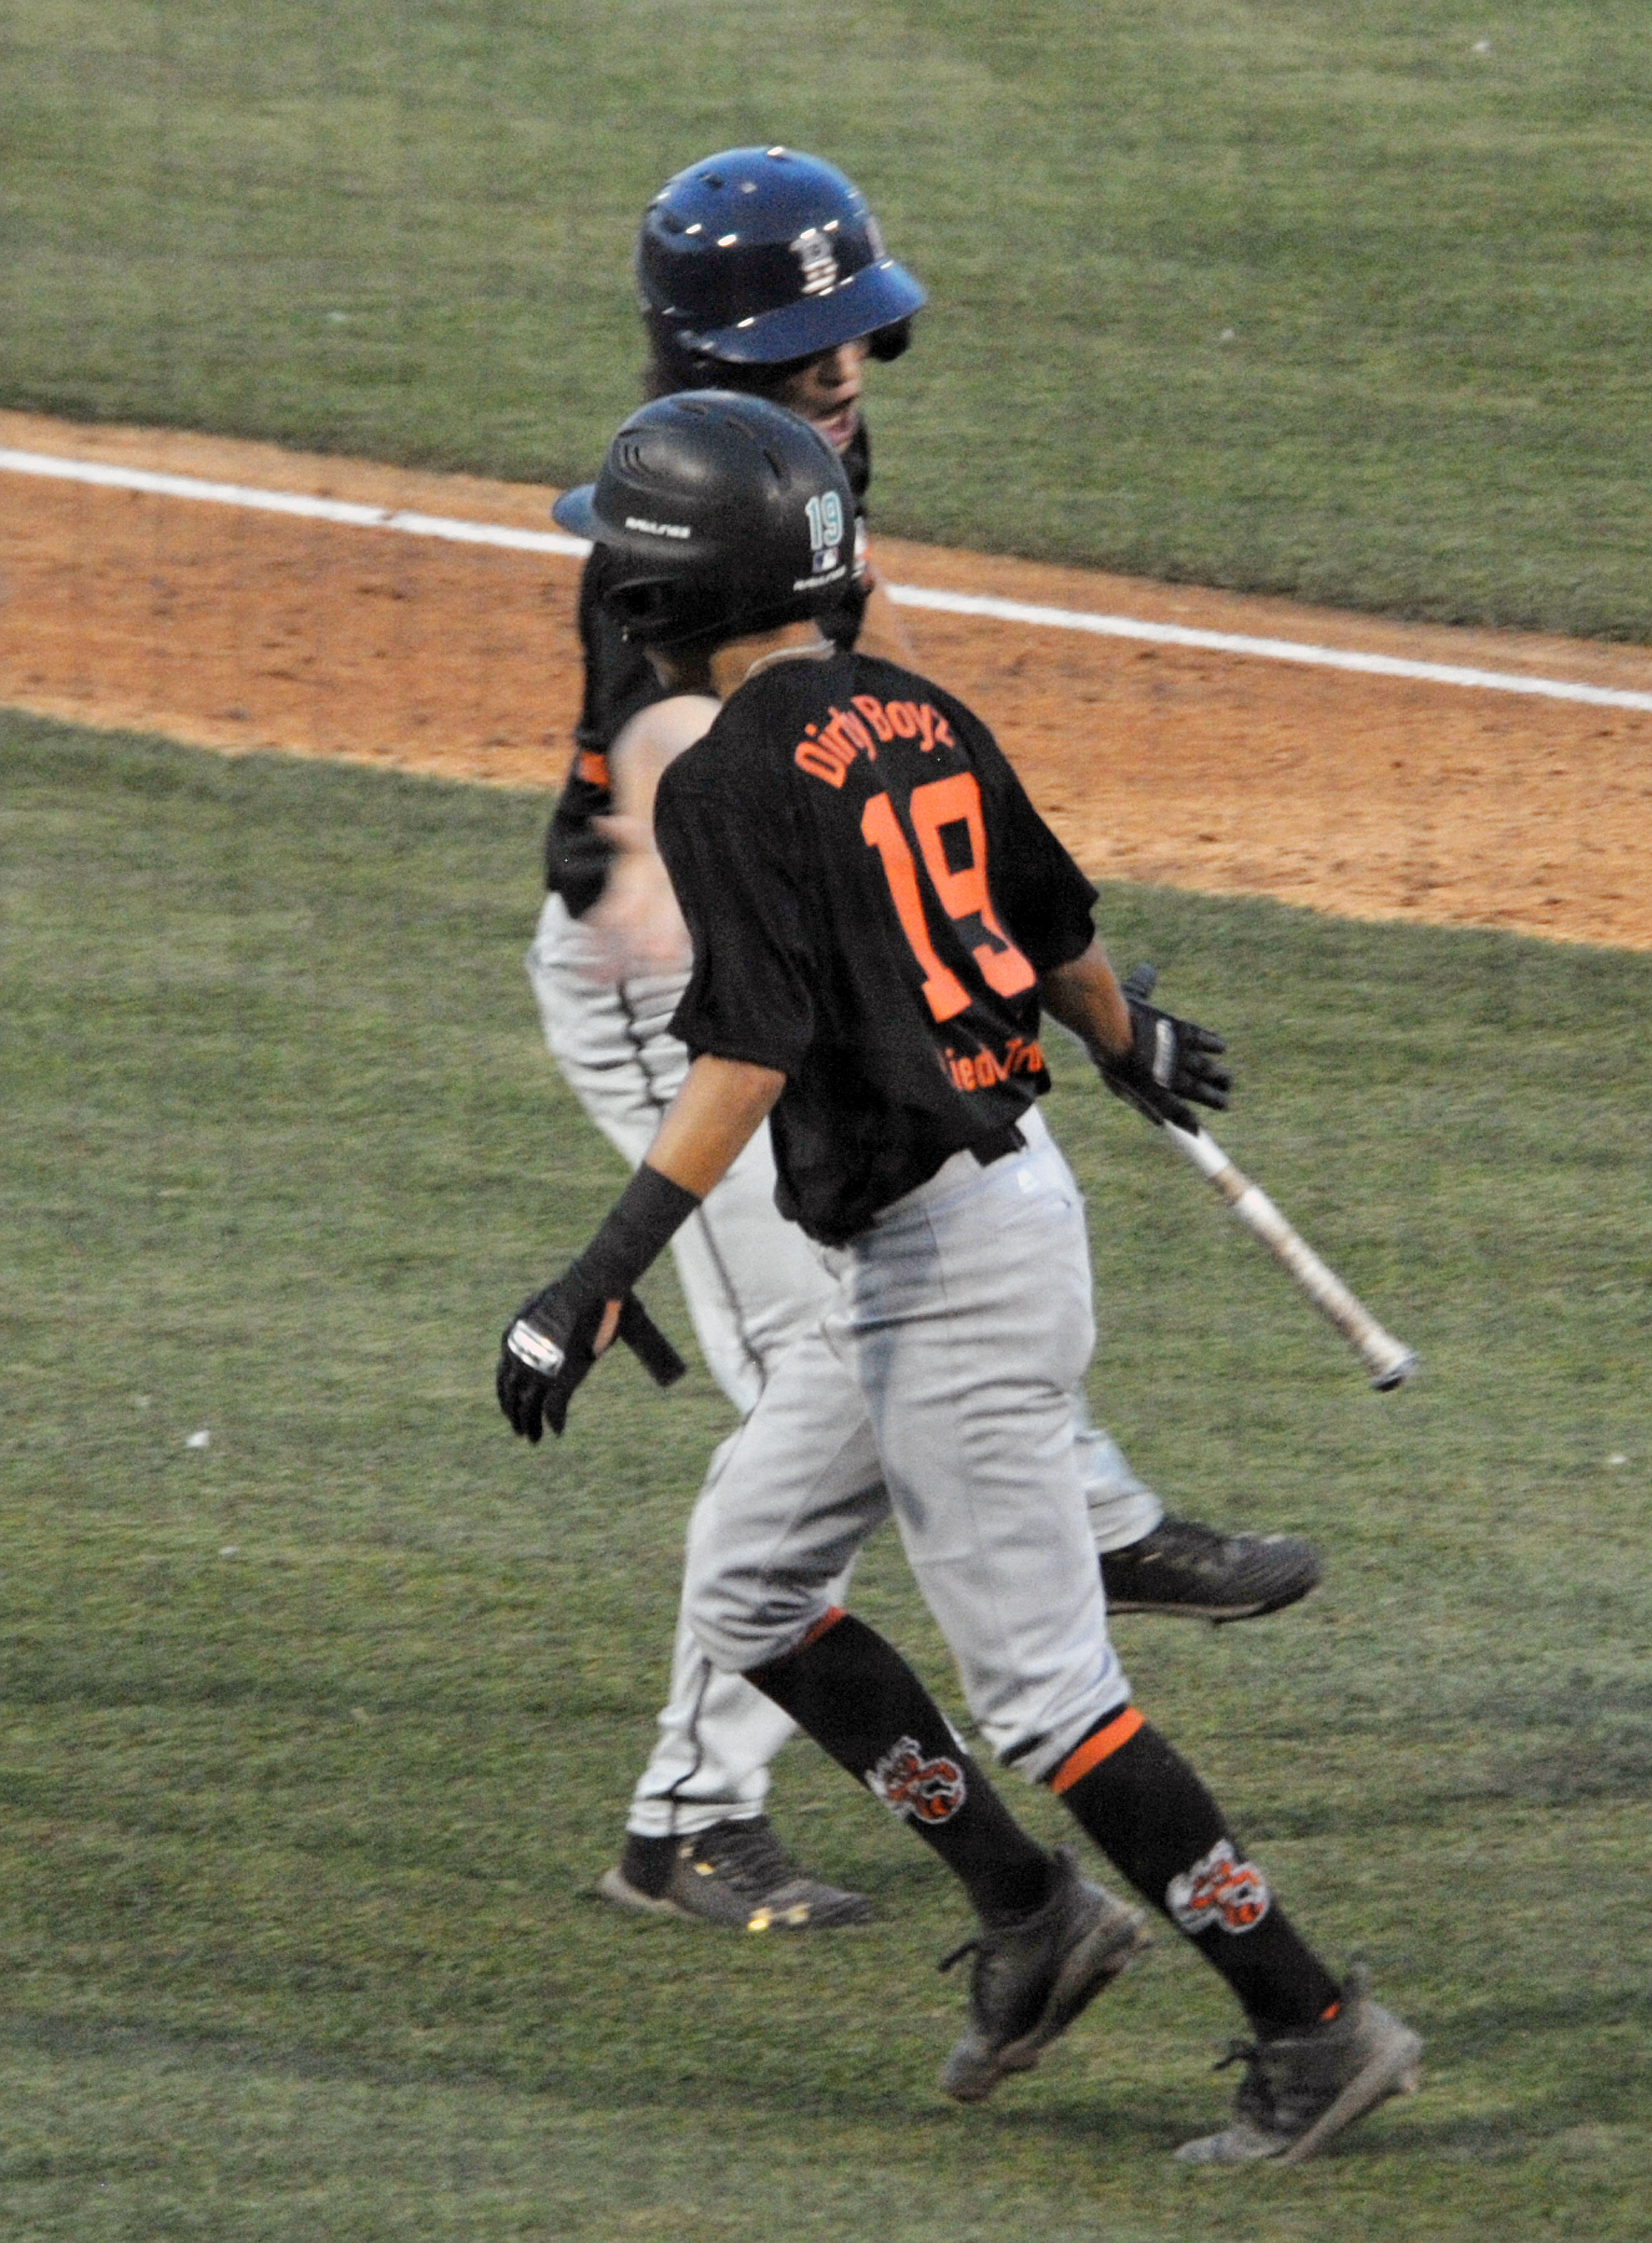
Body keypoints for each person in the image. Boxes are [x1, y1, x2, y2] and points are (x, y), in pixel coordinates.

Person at [500, 391, 1423, 2167]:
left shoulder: (723, 776)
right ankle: (1032, 1917)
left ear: (670, 587)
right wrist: (1127, 1029)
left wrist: (593, 1278)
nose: (606, 575)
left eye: (621, 551)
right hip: (954, 1228)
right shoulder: (911, 709)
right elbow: (1050, 916)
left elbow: (750, 1051)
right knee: (754, 1582)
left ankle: (1313, 2024)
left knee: (1050, 1699)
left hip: (952, 1277)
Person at [527, 145, 1319, 1934]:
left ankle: (1077, 1521)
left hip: (794, 947)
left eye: (852, 329)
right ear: (705, 358)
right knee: (824, 1370)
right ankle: (692, 1818)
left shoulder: (804, 476)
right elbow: (707, 849)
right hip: (676, 977)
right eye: (803, 340)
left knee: (871, 1357)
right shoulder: (660, 548)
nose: (843, 363)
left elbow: (854, 663)